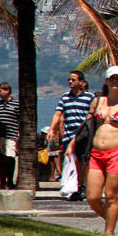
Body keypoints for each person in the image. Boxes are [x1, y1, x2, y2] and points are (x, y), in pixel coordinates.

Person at [68, 66, 118, 235]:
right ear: (106, 81)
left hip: (117, 153)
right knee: (92, 197)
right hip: (97, 154)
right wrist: (73, 142)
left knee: (111, 195)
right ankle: (110, 219)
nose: (114, 81)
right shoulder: (98, 102)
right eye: (111, 78)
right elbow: (86, 126)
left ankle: (109, 233)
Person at [49, 72, 92, 201]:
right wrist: (52, 129)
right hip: (69, 135)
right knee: (74, 161)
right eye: (69, 79)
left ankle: (84, 186)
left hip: (84, 134)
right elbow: (57, 114)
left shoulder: (89, 97)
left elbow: (92, 115)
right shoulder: (64, 97)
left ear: (81, 82)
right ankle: (78, 186)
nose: (70, 82)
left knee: (85, 162)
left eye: (73, 80)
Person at [0, 81, 18, 189]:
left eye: (0, 91)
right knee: (1, 159)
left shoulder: (16, 104)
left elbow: (20, 119)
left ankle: (10, 181)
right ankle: (2, 182)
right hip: (0, 137)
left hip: (11, 135)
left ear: (7, 91)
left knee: (10, 158)